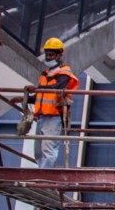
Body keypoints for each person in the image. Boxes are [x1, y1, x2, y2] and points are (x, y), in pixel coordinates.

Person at [29, 37, 79, 169]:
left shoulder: (64, 72)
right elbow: (41, 95)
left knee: (48, 148)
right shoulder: (45, 74)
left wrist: (37, 89)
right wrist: (26, 98)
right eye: (47, 55)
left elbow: (57, 87)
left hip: (54, 116)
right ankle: (41, 172)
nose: (48, 57)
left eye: (51, 55)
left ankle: (44, 177)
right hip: (42, 116)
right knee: (38, 150)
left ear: (59, 55)